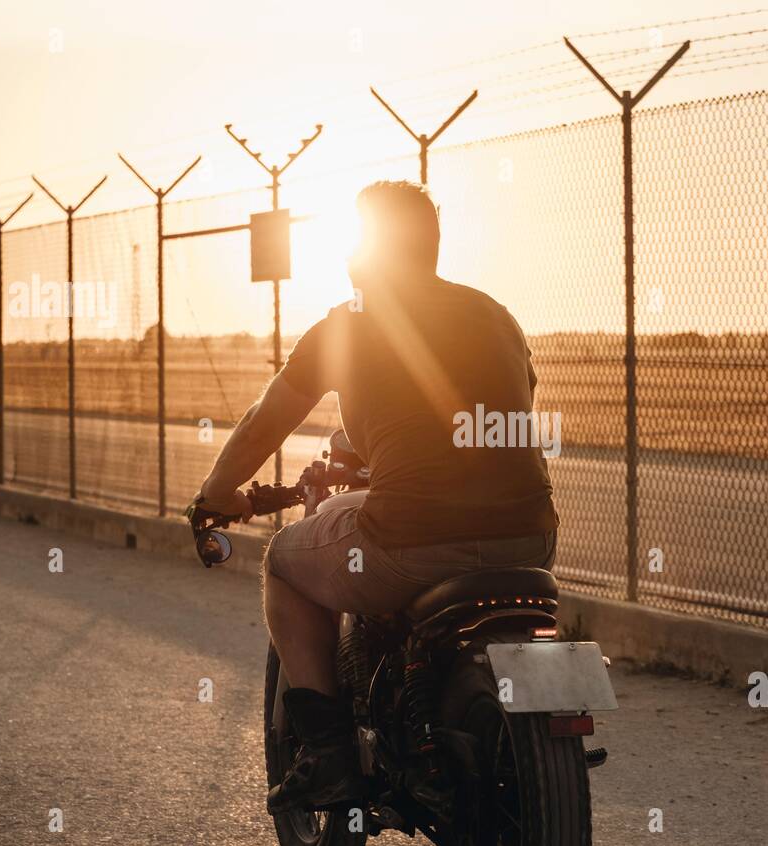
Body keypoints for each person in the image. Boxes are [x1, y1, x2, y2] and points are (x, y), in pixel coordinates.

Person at [193, 180, 558, 811]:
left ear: (364, 254)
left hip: (413, 540)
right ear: (433, 246)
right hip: (530, 539)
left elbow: (264, 421)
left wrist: (214, 496)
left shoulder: (348, 323)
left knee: (283, 560)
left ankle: (329, 754)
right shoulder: (496, 314)